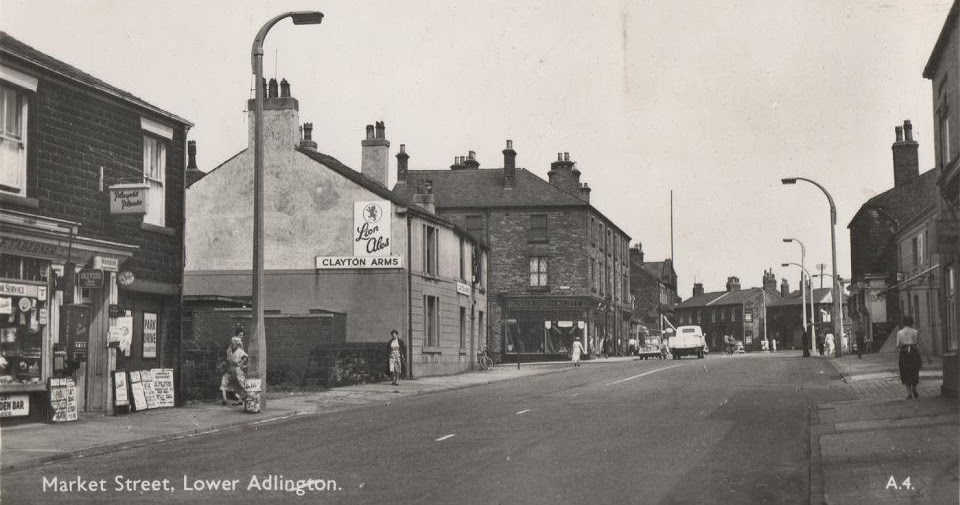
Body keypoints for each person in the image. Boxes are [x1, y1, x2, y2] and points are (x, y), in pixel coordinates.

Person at [896, 316, 923, 399]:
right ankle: (914, 387)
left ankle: (908, 392)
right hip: (914, 352)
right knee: (915, 369)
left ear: (903, 323)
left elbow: (898, 345)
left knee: (904, 371)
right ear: (912, 323)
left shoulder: (899, 333)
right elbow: (917, 343)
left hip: (904, 353)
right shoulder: (915, 332)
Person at [220, 329, 248, 406]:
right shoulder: (229, 350)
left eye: (234, 343)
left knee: (241, 385)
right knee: (224, 381)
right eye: (232, 343)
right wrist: (224, 364)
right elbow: (226, 358)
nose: (232, 344)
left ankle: (241, 400)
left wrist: (241, 363)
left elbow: (245, 356)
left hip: (237, 370)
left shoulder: (239, 350)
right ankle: (224, 400)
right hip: (229, 369)